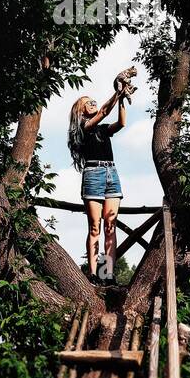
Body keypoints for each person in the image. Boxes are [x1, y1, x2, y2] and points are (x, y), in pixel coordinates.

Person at [67, 87, 126, 284]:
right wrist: (117, 93)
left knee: (110, 226)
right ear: (80, 110)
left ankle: (107, 274)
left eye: (94, 101)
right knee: (95, 227)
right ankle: (93, 275)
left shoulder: (102, 128)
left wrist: (122, 100)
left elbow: (121, 123)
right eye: (88, 102)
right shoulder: (82, 128)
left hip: (112, 173)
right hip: (93, 174)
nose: (93, 103)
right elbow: (104, 111)